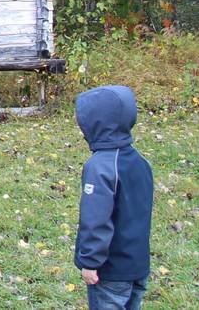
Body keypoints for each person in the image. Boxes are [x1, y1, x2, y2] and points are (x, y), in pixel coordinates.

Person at [75, 84, 155, 310]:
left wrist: (90, 262)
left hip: (109, 272)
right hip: (137, 266)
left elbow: (96, 220)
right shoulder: (141, 162)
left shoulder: (100, 167)